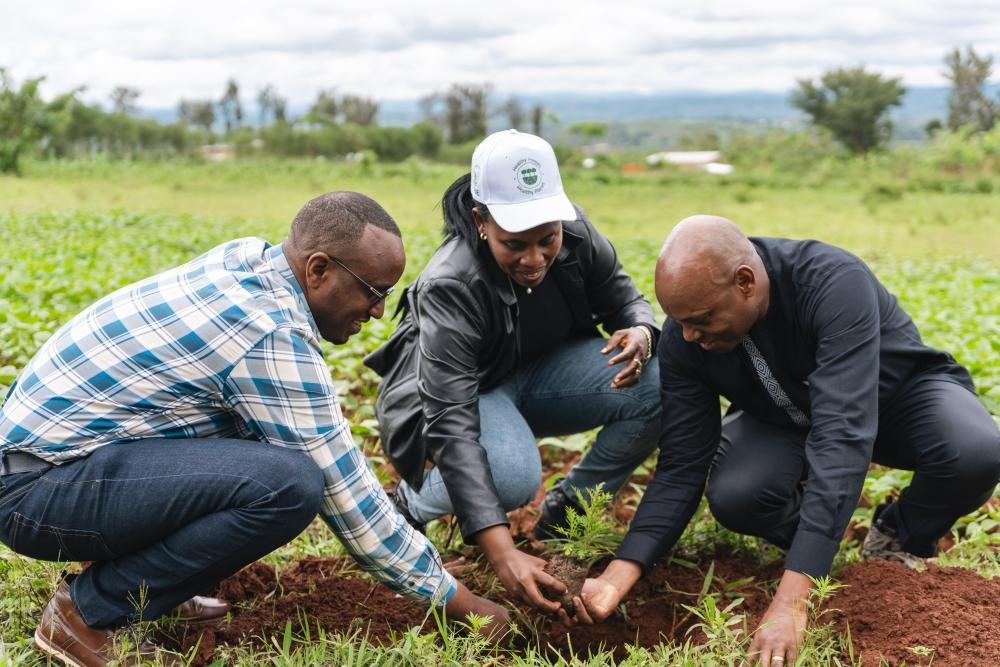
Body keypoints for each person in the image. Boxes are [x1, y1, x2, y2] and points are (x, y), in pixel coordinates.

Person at [0, 192, 507, 667]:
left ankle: (151, 589)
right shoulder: (268, 334)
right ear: (318, 270)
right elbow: (345, 494)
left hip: (55, 464)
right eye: (374, 293)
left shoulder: (248, 261)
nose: (376, 312)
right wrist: (458, 600)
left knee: (258, 443)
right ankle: (86, 612)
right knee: (290, 485)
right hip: (36, 492)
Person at [579, 215, 1000, 664]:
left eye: (702, 320)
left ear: (745, 283)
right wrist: (619, 573)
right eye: (680, 322)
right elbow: (682, 464)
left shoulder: (833, 283)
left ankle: (897, 533)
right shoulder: (688, 338)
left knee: (974, 452)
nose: (688, 336)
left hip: (893, 396)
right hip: (782, 417)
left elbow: (842, 435)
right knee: (739, 494)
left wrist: (792, 600)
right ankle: (819, 543)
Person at [364, 130, 662, 615]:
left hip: (541, 373)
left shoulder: (576, 232)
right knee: (511, 476)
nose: (534, 259)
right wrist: (503, 555)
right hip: (467, 395)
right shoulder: (451, 284)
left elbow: (625, 298)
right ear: (482, 221)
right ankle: (405, 511)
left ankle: (563, 517)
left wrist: (641, 331)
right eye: (515, 244)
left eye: (548, 240)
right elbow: (451, 422)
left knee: (657, 382)